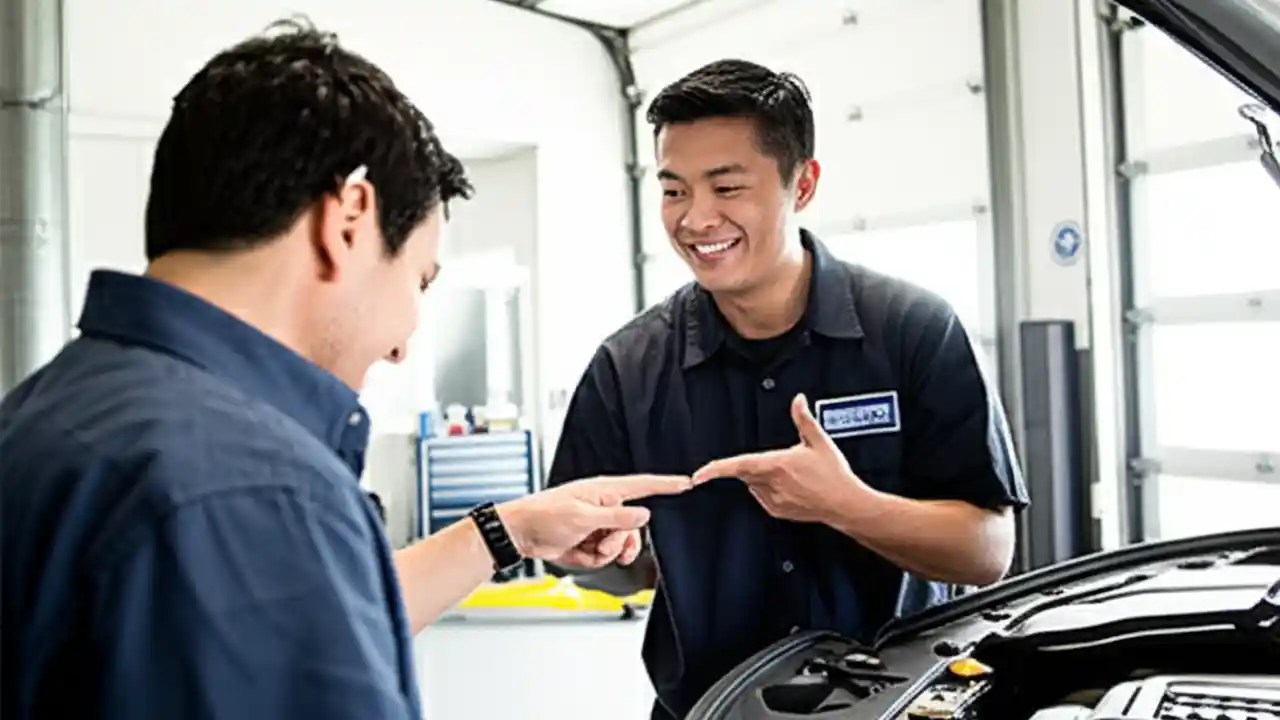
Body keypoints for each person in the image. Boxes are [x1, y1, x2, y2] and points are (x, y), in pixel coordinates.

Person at [0, 19, 695, 720]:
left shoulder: (45, 418)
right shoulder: (253, 490)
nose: (400, 346)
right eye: (418, 280)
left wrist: (506, 531)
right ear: (350, 218)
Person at [546, 59, 1031, 719]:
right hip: (711, 710)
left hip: (895, 707)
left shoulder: (914, 331)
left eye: (727, 187)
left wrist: (847, 506)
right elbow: (601, 561)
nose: (695, 218)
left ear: (802, 183)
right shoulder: (627, 368)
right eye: (674, 190)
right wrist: (598, 555)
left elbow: (987, 552)